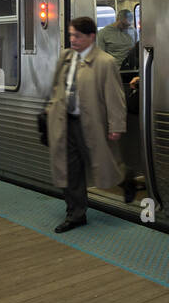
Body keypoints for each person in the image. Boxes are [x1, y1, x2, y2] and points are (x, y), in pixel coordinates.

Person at [43, 17, 130, 232]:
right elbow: (56, 88)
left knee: (103, 164)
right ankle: (75, 214)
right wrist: (49, 112)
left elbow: (115, 97)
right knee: (69, 170)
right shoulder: (65, 57)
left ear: (91, 37)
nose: (72, 39)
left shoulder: (105, 62)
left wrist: (116, 126)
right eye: (71, 35)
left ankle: (125, 178)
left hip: (92, 124)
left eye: (77, 36)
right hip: (66, 123)